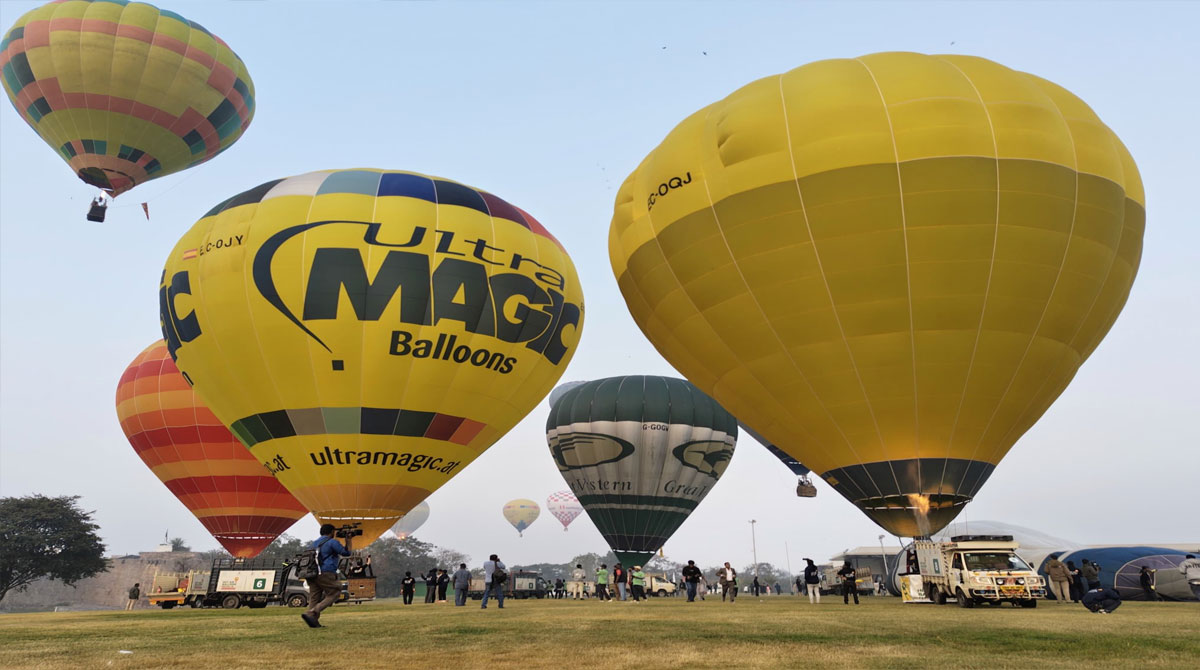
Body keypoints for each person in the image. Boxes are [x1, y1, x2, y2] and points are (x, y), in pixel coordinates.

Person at [301, 523, 350, 628]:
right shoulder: (332, 542)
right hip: (325, 572)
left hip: (311, 574)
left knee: (314, 597)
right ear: (332, 532)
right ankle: (312, 612)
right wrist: (348, 540)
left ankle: (313, 622)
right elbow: (346, 553)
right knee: (335, 592)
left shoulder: (313, 544)